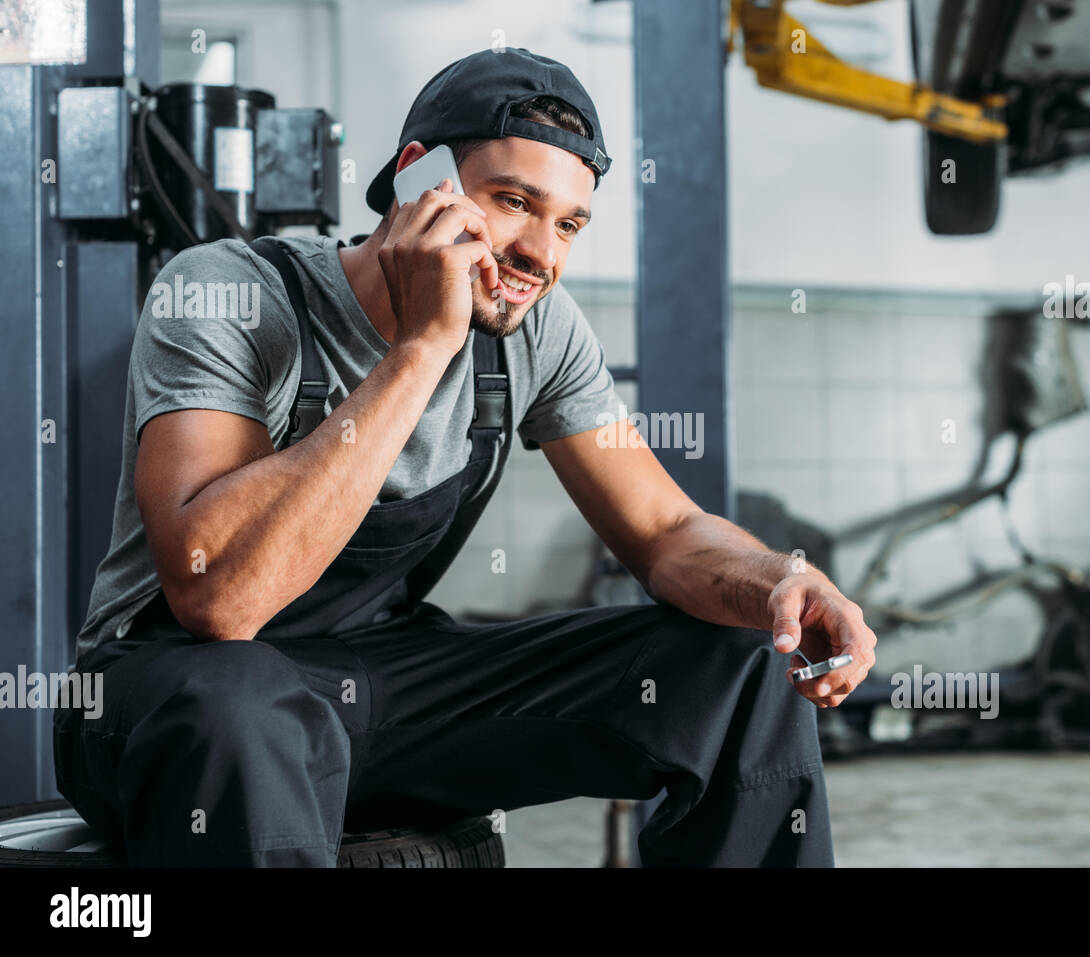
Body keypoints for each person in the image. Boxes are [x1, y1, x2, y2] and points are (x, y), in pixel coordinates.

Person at [53, 47, 877, 867]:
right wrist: (421, 348)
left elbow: (666, 529)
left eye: (569, 224)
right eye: (514, 202)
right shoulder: (228, 293)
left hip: (379, 690)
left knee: (744, 668)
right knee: (241, 703)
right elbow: (217, 597)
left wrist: (780, 584)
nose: (542, 256)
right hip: (173, 694)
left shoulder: (541, 331)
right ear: (418, 177)